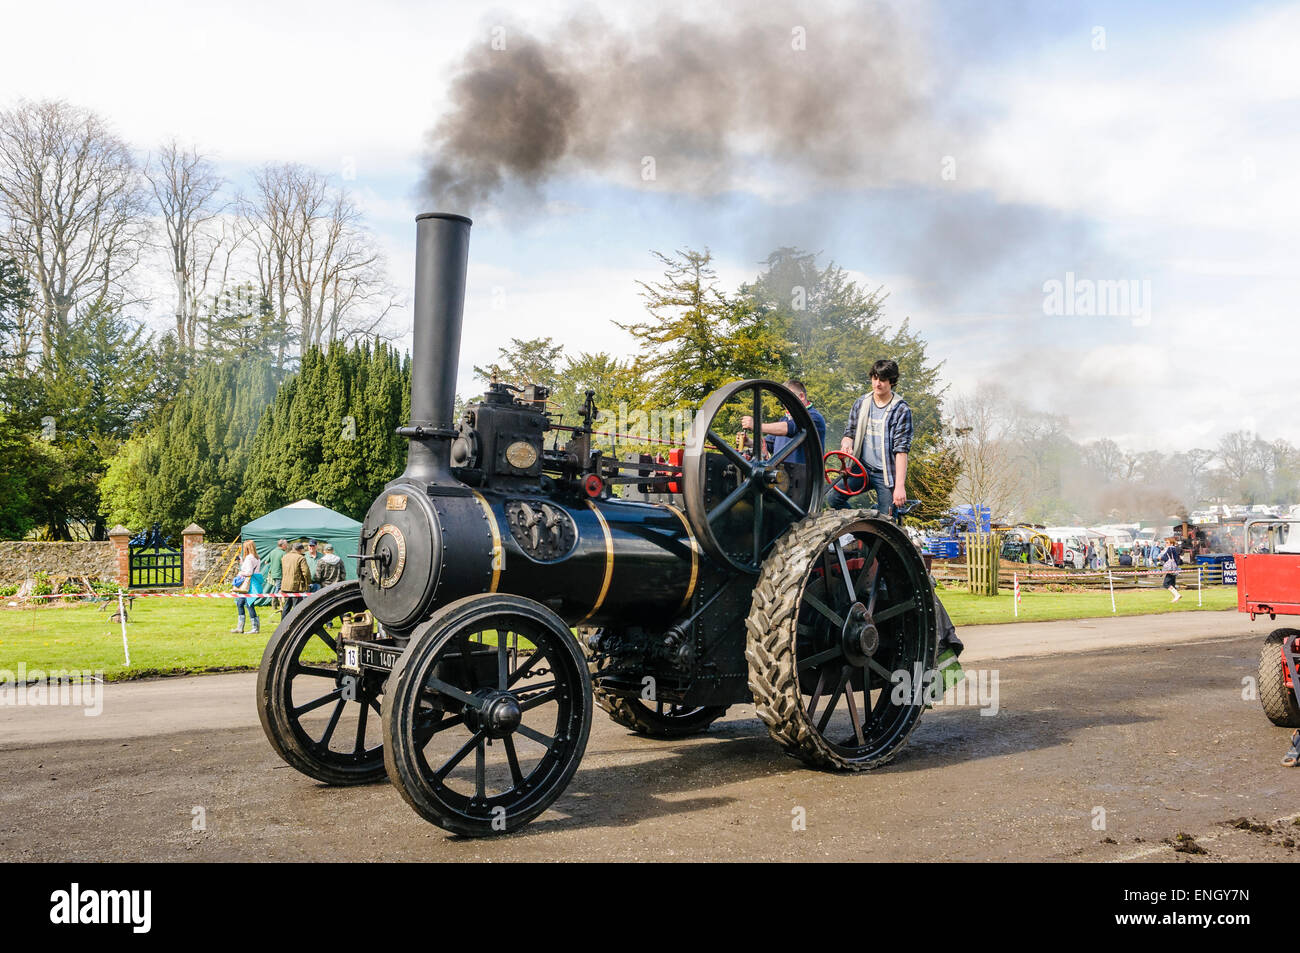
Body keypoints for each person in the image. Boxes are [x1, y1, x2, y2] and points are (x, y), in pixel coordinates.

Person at [828, 360, 913, 515]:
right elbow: (850, 432)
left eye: (882, 380)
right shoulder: (861, 403)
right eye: (874, 378)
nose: (877, 383)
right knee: (833, 498)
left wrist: (900, 486)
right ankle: (860, 527)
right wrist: (847, 442)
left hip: (886, 474)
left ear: (892, 382)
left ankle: (877, 521)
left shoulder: (901, 410)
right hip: (862, 468)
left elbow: (901, 451)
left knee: (887, 518)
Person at [741, 379, 827, 468]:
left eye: (787, 398)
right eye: (783, 399)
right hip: (782, 476)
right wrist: (749, 442)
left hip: (805, 478)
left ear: (801, 396)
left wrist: (756, 425)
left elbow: (790, 428)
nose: (784, 403)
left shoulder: (813, 417)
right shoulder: (784, 419)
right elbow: (768, 444)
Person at [230, 539, 265, 634]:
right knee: (240, 603)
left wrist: (241, 572)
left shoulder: (249, 558)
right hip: (252, 583)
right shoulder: (257, 558)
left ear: (247, 548)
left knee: (249, 605)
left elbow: (249, 572)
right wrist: (242, 562)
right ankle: (240, 628)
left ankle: (255, 628)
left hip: (249, 585)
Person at [280, 542, 312, 617]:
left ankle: (283, 625)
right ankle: (297, 626)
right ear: (300, 550)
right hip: (296, 586)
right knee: (297, 608)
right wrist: (308, 582)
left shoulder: (284, 557)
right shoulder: (301, 558)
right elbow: (306, 572)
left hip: (285, 586)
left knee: (286, 607)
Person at [263, 538, 288, 610]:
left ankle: (278, 604)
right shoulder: (283, 553)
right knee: (278, 589)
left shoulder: (272, 552)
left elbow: (266, 562)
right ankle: (274, 604)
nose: (286, 546)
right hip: (280, 574)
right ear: (282, 545)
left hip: (272, 574)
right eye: (286, 545)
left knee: (277, 588)